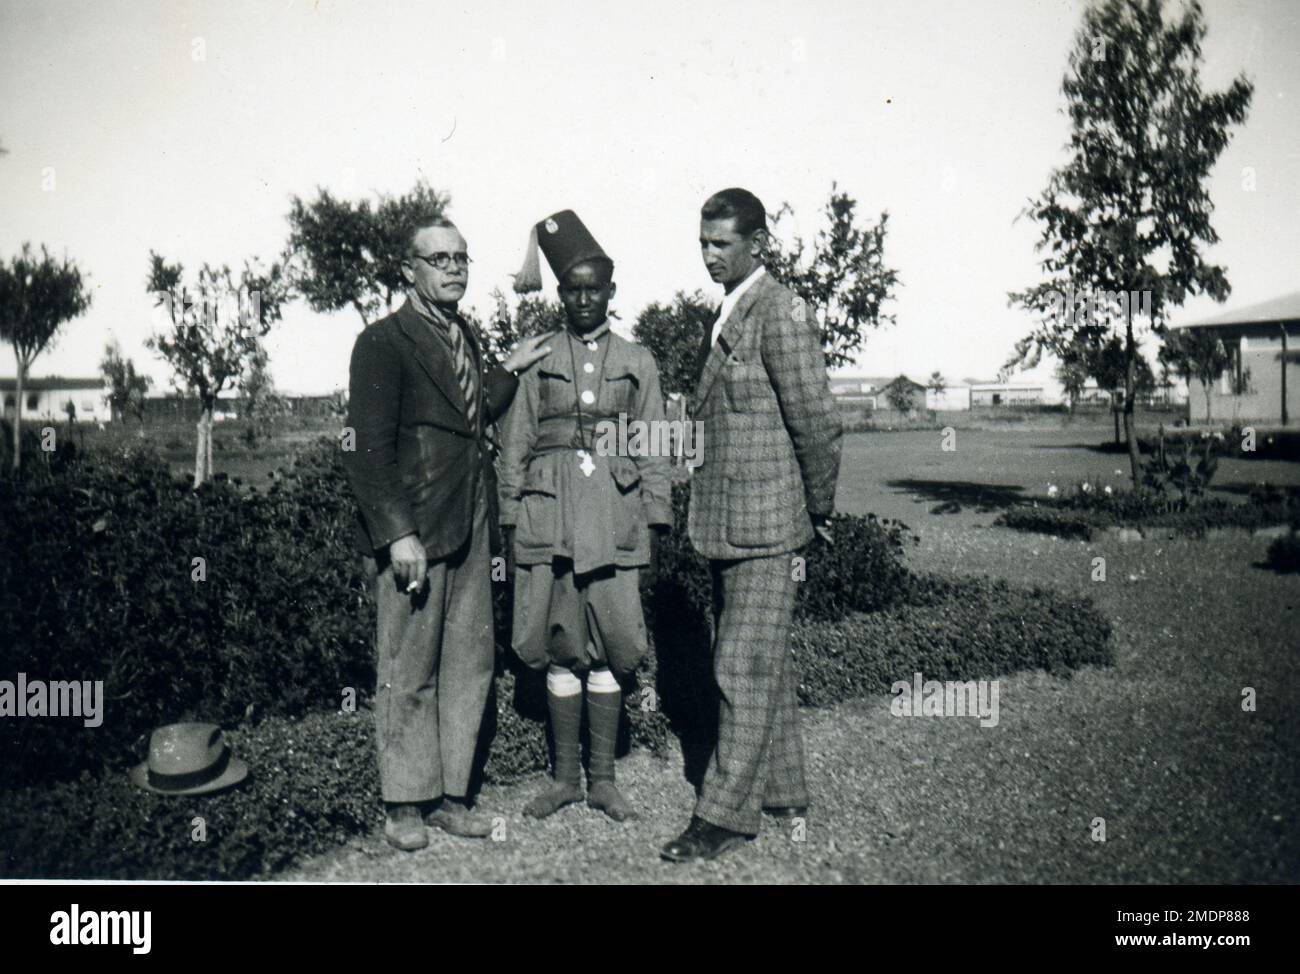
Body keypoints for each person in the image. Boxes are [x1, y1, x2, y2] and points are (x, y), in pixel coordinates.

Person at [343, 217, 551, 851]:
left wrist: (508, 370)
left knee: (469, 664)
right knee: (409, 667)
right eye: (439, 259)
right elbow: (366, 448)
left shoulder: (461, 334)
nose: (455, 268)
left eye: (462, 257)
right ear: (408, 270)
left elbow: (465, 414)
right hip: (416, 531)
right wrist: (397, 533)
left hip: (470, 521)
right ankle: (404, 803)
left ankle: (451, 797)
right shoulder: (383, 342)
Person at [661, 188, 842, 862]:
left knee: (738, 664)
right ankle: (785, 791)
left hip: (768, 525)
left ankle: (724, 818)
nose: (709, 256)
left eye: (722, 245)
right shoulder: (731, 310)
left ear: (757, 244)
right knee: (764, 660)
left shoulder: (780, 311)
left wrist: (818, 509)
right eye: (703, 243)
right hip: (729, 521)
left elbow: (818, 423)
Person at [500, 209, 672, 822]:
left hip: (616, 518)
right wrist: (510, 516)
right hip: (550, 520)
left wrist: (656, 524)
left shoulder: (639, 360)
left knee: (613, 645)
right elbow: (515, 440)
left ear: (611, 292)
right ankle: (564, 780)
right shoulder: (539, 357)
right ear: (561, 292)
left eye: (593, 288)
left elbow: (653, 443)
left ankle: (603, 781)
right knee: (559, 641)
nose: (581, 299)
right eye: (571, 289)